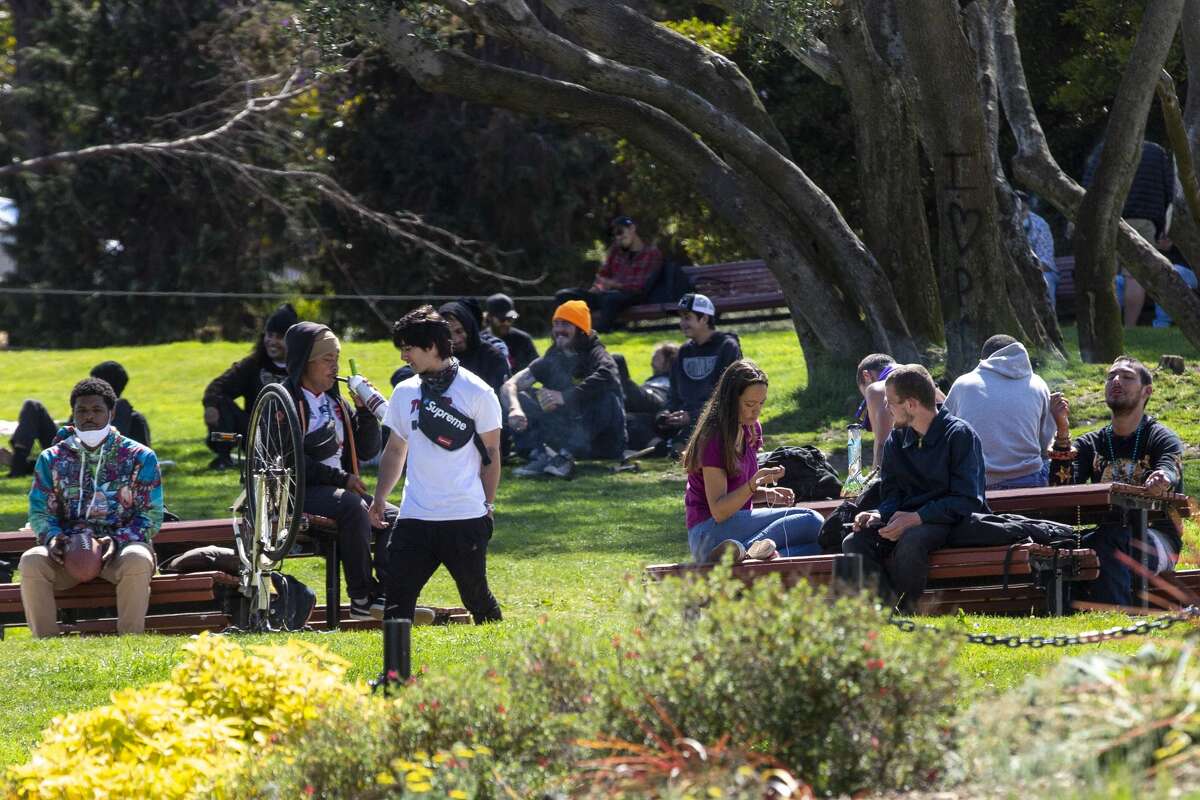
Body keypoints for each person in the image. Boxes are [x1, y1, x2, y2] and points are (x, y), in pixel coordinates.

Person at [370, 305, 503, 624]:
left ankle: (499, 663)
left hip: (464, 517)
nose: (404, 357)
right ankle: (394, 675)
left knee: (475, 596)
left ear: (430, 347)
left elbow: (492, 454)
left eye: (407, 348)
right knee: (397, 600)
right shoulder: (404, 391)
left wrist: (487, 504)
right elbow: (395, 449)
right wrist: (379, 498)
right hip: (415, 517)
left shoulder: (477, 391)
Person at [18, 378, 162, 637]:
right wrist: (53, 539)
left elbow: (151, 515)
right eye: (82, 411)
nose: (89, 417)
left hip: (120, 550)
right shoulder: (51, 458)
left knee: (138, 559)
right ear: (73, 414)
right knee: (31, 561)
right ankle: (46, 643)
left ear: (111, 413)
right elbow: (39, 511)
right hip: (67, 551)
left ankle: (131, 641)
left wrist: (116, 541)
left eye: (97, 410)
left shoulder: (140, 456)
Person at [842, 365, 991, 612]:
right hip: (907, 520)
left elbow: (967, 500)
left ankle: (904, 610)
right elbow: (891, 494)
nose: (887, 409)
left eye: (891, 403)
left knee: (912, 539)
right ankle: (886, 612)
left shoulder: (959, 435)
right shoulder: (897, 440)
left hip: (951, 522)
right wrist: (880, 515)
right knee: (854, 542)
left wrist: (918, 517)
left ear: (911, 404)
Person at [283, 321, 397, 619]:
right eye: (326, 359)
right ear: (305, 361)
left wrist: (364, 411)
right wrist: (342, 479)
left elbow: (368, 451)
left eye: (336, 359)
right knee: (351, 505)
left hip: (337, 489)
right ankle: (361, 596)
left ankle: (385, 593)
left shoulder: (336, 402)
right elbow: (290, 461)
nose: (334, 367)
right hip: (298, 493)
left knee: (396, 514)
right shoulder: (283, 401)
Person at [1055, 356, 1185, 606]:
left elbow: (1171, 466)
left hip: (1158, 541)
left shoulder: (1161, 437)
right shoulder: (1091, 443)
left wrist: (1162, 477)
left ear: (1147, 391)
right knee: (1069, 542)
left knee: (1109, 540)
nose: (1116, 381)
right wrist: (1062, 434)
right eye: (1111, 376)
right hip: (1106, 536)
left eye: (1126, 377)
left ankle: (1115, 615)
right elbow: (1061, 488)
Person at [683, 359, 822, 564]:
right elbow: (720, 511)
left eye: (761, 403)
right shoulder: (714, 438)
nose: (756, 411)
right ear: (731, 400)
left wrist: (765, 493)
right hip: (708, 532)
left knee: (815, 547)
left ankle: (747, 555)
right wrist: (752, 484)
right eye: (749, 404)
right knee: (812, 521)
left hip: (735, 530)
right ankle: (746, 551)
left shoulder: (751, 429)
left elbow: (736, 493)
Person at [503, 300, 627, 477]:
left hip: (602, 444)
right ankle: (540, 455)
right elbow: (510, 384)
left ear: (580, 328)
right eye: (556, 324)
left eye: (566, 324)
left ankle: (562, 458)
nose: (559, 329)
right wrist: (515, 409)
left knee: (606, 396)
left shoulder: (595, 352)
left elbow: (610, 374)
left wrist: (565, 397)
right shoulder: (552, 357)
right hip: (565, 434)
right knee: (521, 395)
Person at [942, 335, 1057, 489]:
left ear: (982, 360)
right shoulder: (1037, 384)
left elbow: (945, 434)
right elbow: (1046, 445)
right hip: (1029, 480)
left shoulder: (963, 385)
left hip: (977, 483)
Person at [1, 361, 151, 478]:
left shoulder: (133, 418)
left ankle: (19, 465)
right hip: (67, 452)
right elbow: (66, 439)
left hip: (96, 463)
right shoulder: (82, 406)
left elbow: (141, 460)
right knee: (32, 406)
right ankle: (19, 461)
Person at [1083, 140, 1176, 327]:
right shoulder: (1157, 152)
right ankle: (1129, 326)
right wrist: (1166, 229)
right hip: (1146, 221)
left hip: (1111, 218)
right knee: (1134, 277)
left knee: (1105, 274)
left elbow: (1088, 184)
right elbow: (1170, 191)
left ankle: (1105, 325)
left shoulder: (1106, 146)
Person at [202, 303, 297, 470]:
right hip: (255, 434)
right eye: (269, 335)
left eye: (279, 337)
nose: (272, 342)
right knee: (220, 402)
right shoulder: (253, 364)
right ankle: (224, 457)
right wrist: (211, 406)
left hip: (292, 435)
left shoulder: (302, 368)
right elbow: (218, 387)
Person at [659, 293, 741, 457]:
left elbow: (730, 397)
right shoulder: (683, 351)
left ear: (704, 318)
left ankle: (682, 448)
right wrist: (666, 414)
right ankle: (674, 446)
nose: (682, 324)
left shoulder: (727, 347)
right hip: (686, 420)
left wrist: (694, 416)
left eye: (687, 318)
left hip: (715, 419)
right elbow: (674, 393)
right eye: (681, 318)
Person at [554, 216, 663, 333]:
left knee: (611, 298)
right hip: (608, 294)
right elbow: (602, 275)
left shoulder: (651, 253)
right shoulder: (615, 251)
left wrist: (614, 285)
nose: (618, 237)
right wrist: (597, 288)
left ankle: (601, 329)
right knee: (564, 295)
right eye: (614, 234)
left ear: (632, 228)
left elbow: (639, 287)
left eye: (620, 232)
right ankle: (567, 328)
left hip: (632, 297)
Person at [615, 342, 678, 451]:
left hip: (658, 399)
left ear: (670, 361)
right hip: (649, 402)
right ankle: (659, 446)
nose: (652, 359)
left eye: (657, 356)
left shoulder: (673, 379)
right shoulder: (653, 379)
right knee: (626, 419)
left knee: (617, 360)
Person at [438, 300, 511, 393]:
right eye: (447, 334)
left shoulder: (493, 357)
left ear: (469, 328)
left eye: (459, 331)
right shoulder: (436, 357)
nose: (455, 339)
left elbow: (501, 397)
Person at [853, 353, 896, 471]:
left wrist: (873, 484)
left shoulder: (877, 389)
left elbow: (882, 445)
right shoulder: (925, 380)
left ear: (866, 375)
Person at [1017, 191, 1058, 310]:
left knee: (1046, 279)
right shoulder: (1002, 224)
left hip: (1040, 270)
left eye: (1022, 210)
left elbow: (1046, 261)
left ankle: (1049, 320)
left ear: (1027, 208)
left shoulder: (1040, 225)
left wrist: (1028, 270)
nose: (1019, 214)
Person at [485, 293, 539, 372]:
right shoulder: (481, 341)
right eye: (502, 319)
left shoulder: (523, 339)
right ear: (489, 317)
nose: (507, 323)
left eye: (510, 319)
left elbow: (538, 368)